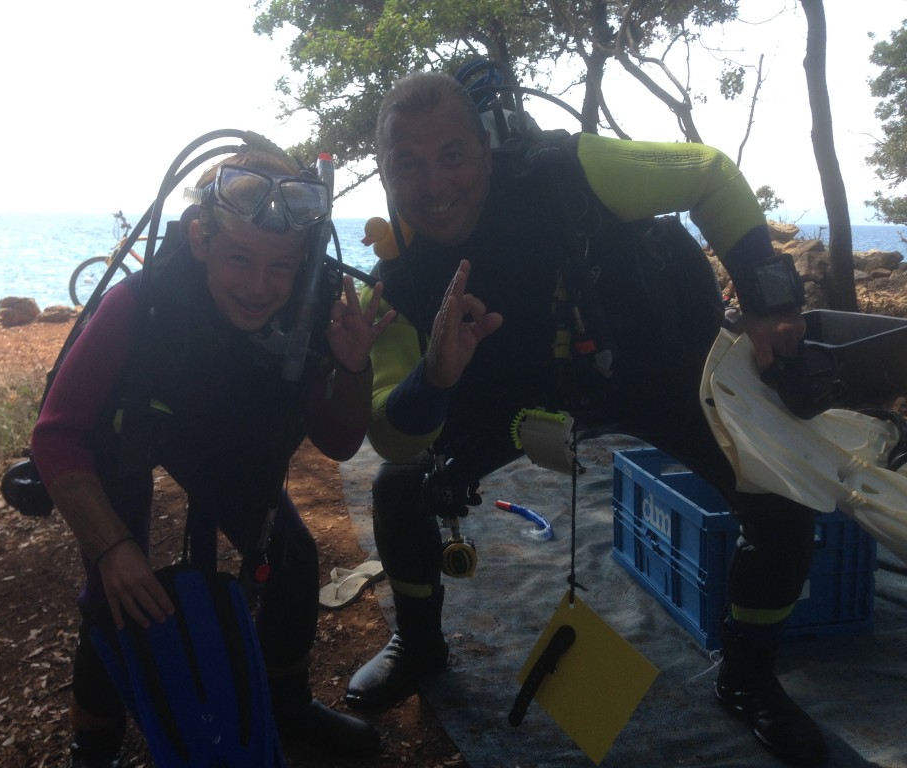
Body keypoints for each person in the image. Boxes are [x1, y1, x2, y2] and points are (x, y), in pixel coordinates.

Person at [345, 69, 829, 767]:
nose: (435, 186)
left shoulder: (566, 171)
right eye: (408, 165)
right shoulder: (398, 279)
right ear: (383, 172)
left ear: (485, 148)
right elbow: (391, 434)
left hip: (650, 367)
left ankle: (748, 674)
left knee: (781, 497)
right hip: (511, 400)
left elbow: (709, 173)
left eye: (452, 155)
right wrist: (435, 376)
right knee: (397, 488)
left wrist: (768, 294)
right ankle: (418, 644)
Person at [31, 146, 396, 767]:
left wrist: (354, 366)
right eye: (239, 259)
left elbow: (338, 442)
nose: (259, 287)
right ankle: (91, 747)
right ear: (200, 239)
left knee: (292, 557)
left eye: (281, 265)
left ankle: (287, 707)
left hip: (225, 437)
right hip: (134, 433)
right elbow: (56, 436)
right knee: (114, 594)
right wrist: (114, 549)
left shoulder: (311, 316)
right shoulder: (138, 305)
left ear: (303, 258)